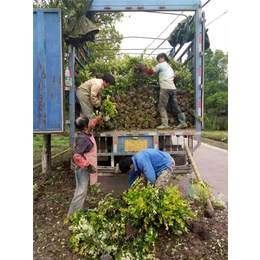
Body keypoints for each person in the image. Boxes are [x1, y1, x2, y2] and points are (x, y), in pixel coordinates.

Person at [67, 115, 101, 216]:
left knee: (87, 189)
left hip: (87, 165)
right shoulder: (82, 139)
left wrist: (98, 118)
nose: (90, 123)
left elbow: (91, 125)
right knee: (81, 191)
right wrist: (88, 165)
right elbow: (76, 156)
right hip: (83, 167)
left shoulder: (86, 132)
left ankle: (84, 210)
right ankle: (72, 216)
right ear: (85, 127)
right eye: (88, 122)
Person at [147, 53, 188, 129]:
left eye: (158, 59)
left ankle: (165, 124)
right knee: (175, 106)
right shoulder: (170, 68)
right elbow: (175, 79)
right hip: (173, 88)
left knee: (162, 106)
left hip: (165, 88)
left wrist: (145, 68)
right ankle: (183, 122)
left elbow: (150, 72)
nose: (158, 61)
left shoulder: (161, 65)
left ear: (162, 58)